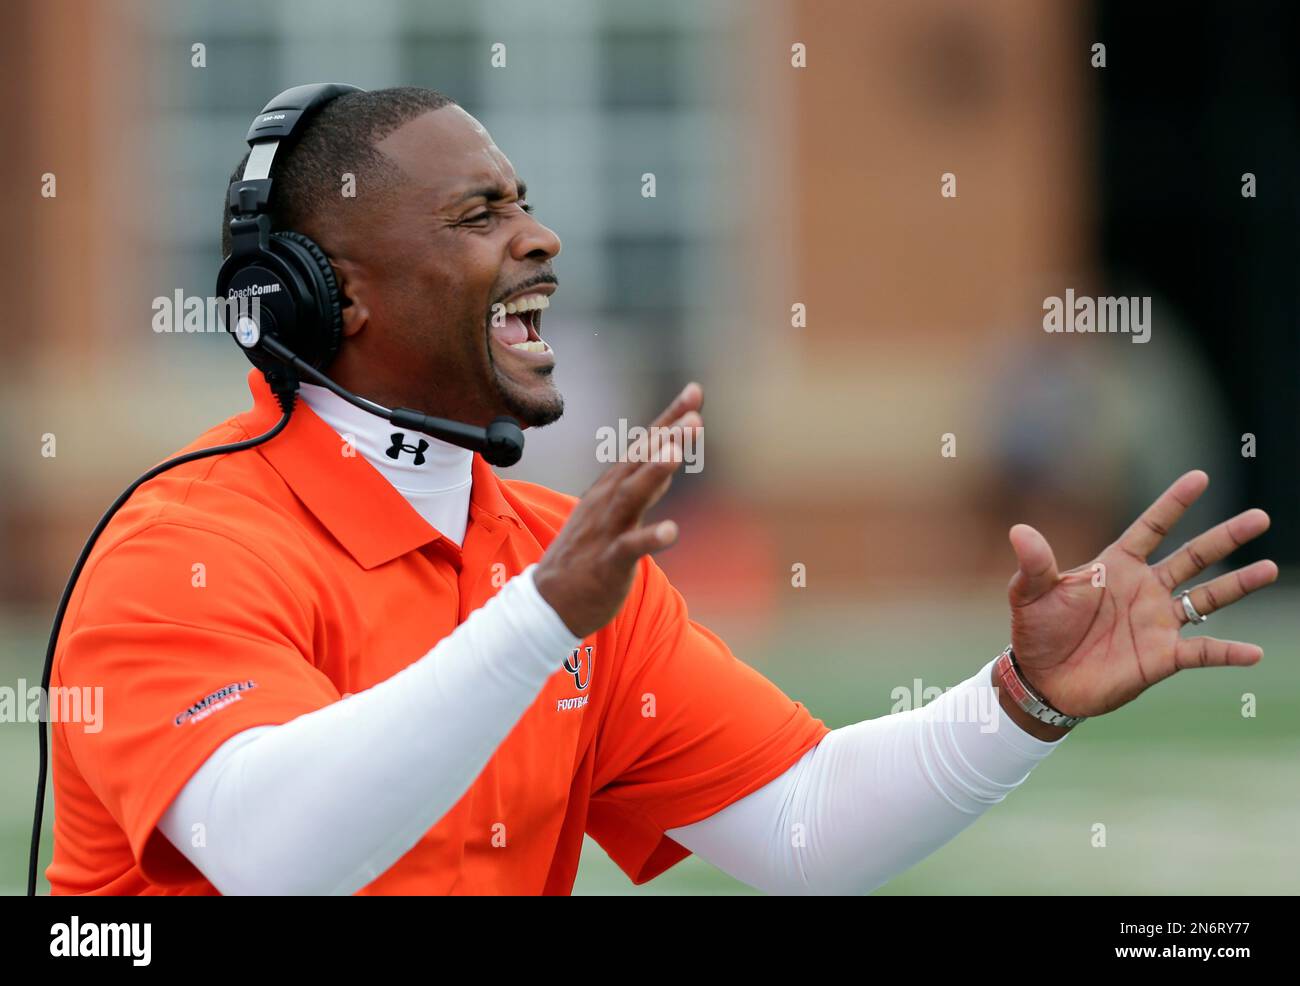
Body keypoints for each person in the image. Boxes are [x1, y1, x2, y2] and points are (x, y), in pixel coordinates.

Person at [45, 87, 1278, 895]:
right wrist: (537, 622)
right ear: (331, 294)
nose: (540, 239)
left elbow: (802, 827)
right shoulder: (183, 547)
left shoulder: (550, 552)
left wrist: (1023, 702)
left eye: (526, 203)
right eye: (481, 213)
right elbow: (272, 858)